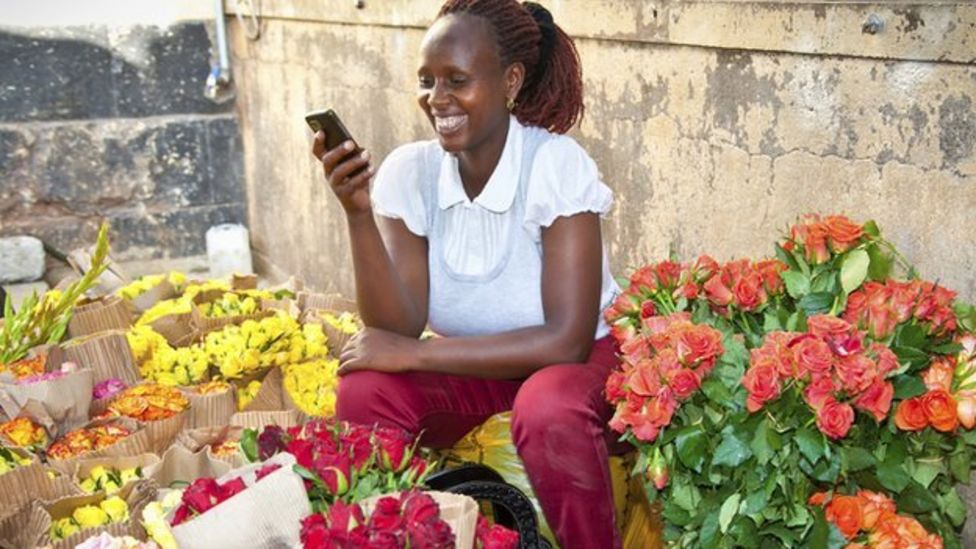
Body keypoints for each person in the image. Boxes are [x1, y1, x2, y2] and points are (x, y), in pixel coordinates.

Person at [312, 1, 622, 546]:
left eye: (458, 80)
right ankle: (388, 535)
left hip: (578, 368)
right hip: (477, 374)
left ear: (510, 80)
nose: (438, 100)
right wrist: (358, 212)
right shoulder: (414, 171)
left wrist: (419, 355)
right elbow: (397, 327)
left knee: (547, 404)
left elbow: (566, 342)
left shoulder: (554, 165)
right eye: (426, 81)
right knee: (365, 389)